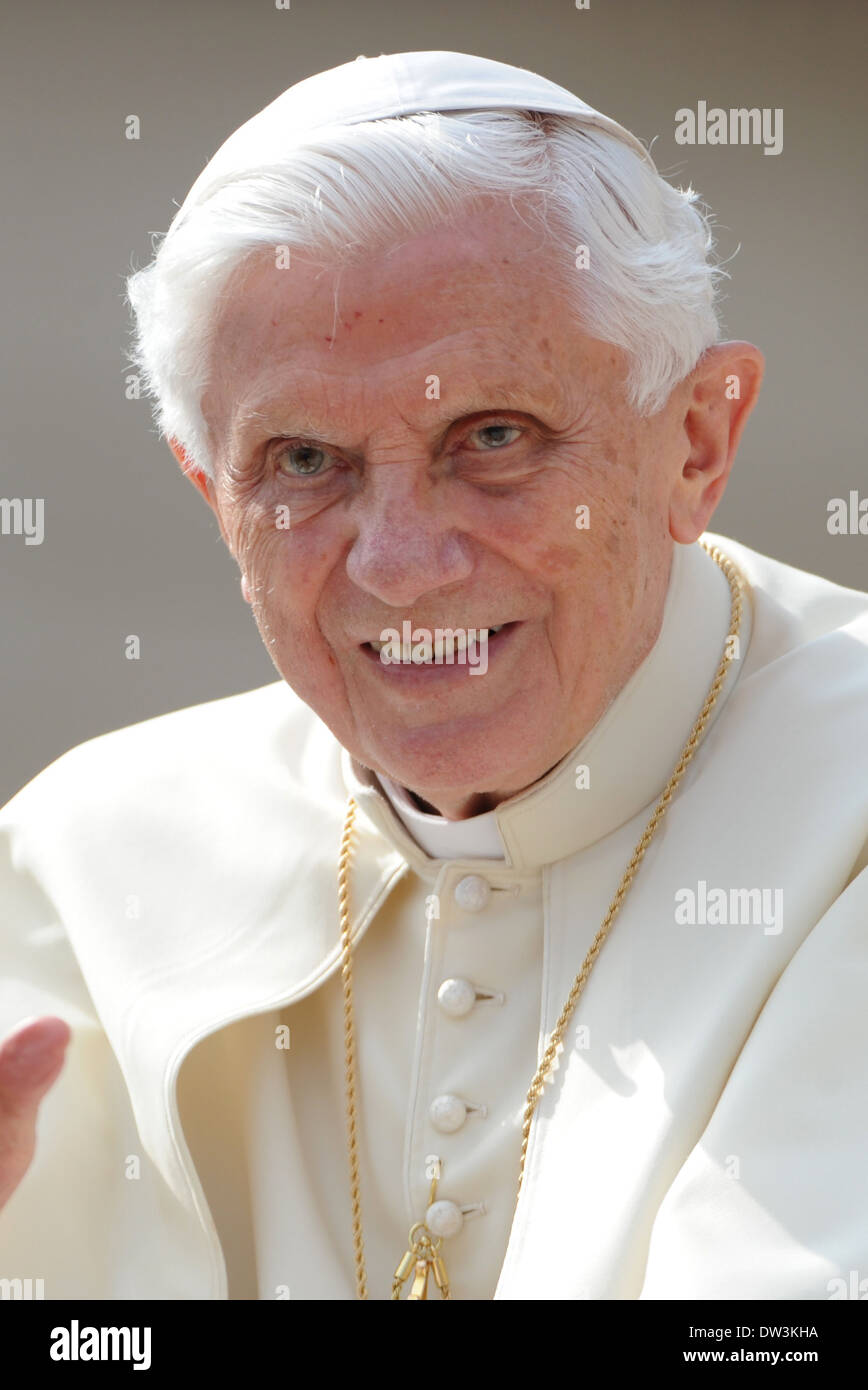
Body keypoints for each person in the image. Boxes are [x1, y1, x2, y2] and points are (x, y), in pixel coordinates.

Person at [1, 50, 866, 1302]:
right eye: (304, 461)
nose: (401, 567)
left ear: (695, 439)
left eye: (494, 438)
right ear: (215, 499)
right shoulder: (74, 866)